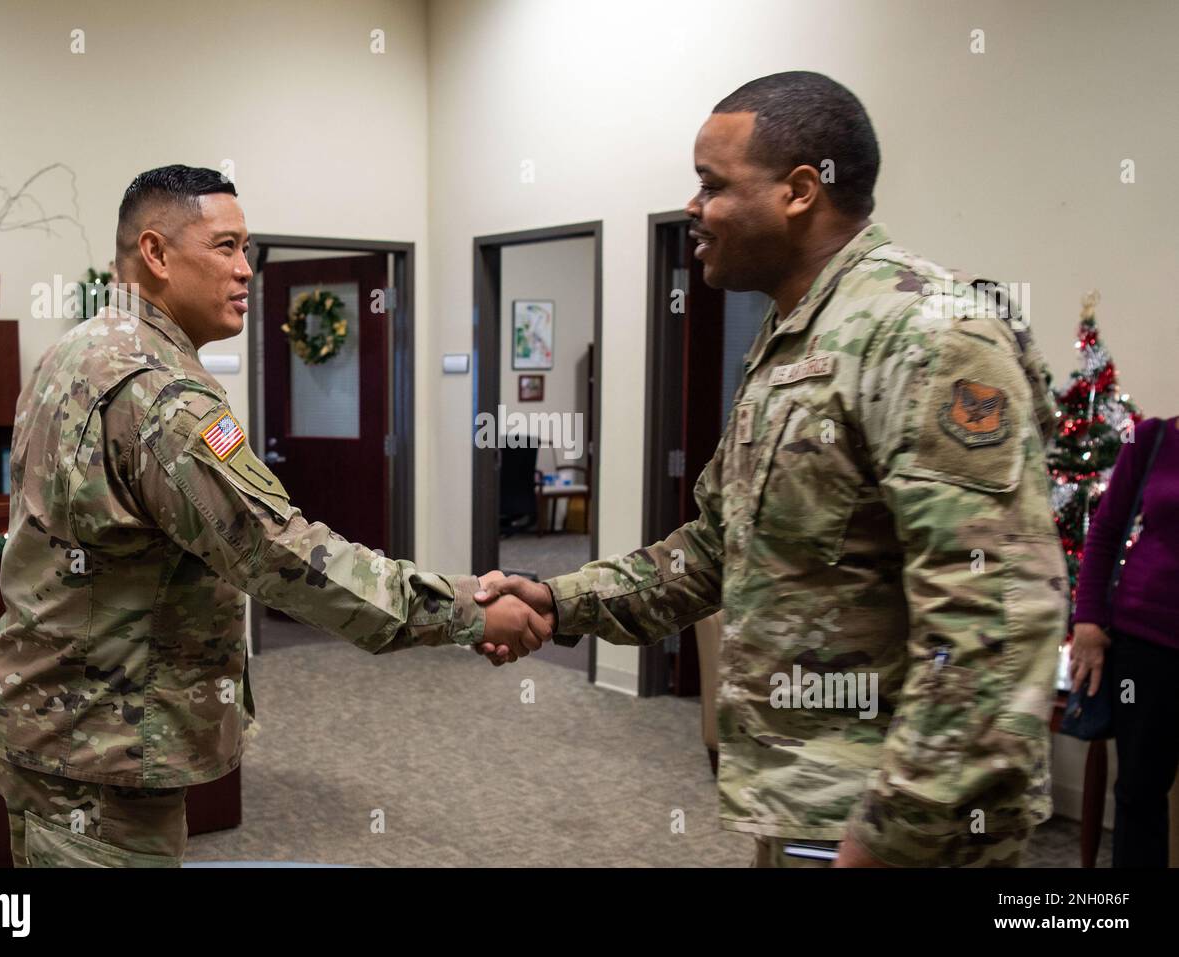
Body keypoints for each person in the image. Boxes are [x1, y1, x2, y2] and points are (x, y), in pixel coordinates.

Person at [476, 71, 1067, 868]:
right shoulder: (793, 343)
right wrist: (558, 597)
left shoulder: (929, 337)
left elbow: (995, 622)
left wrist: (887, 840)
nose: (693, 207)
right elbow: (716, 548)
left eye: (710, 185)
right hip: (805, 805)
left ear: (798, 191)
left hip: (897, 830)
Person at [0, 165, 552, 867]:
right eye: (225, 247)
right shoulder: (160, 393)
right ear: (156, 254)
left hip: (48, 729)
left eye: (248, 249)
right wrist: (466, 608)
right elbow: (281, 555)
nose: (246, 270)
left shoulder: (72, 352)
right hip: (103, 752)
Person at [1070, 414, 1178, 868]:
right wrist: (1089, 620)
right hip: (1146, 643)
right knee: (1139, 790)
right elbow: (1107, 529)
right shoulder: (1153, 437)